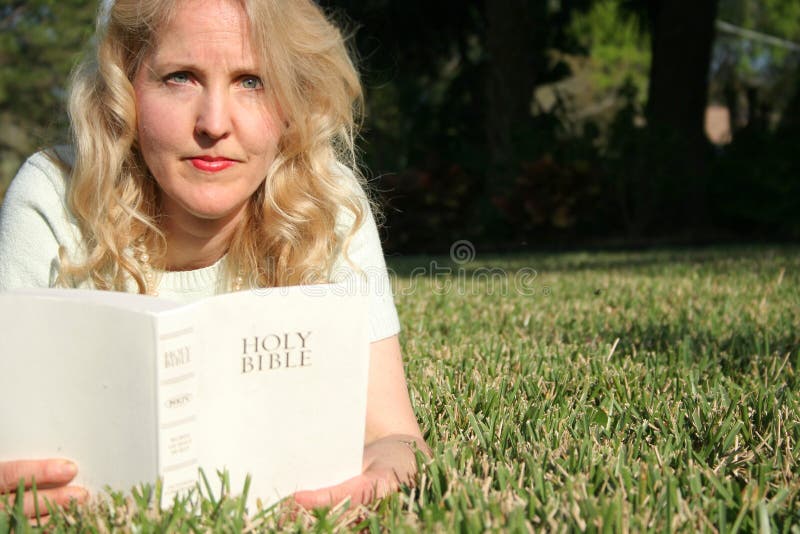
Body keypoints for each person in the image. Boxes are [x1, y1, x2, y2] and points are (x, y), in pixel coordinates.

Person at [0, 0, 429, 519]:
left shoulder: (325, 203)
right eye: (180, 77)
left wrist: (386, 471)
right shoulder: (55, 199)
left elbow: (396, 436)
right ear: (126, 86)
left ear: (295, 100)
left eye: (252, 81)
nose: (214, 123)